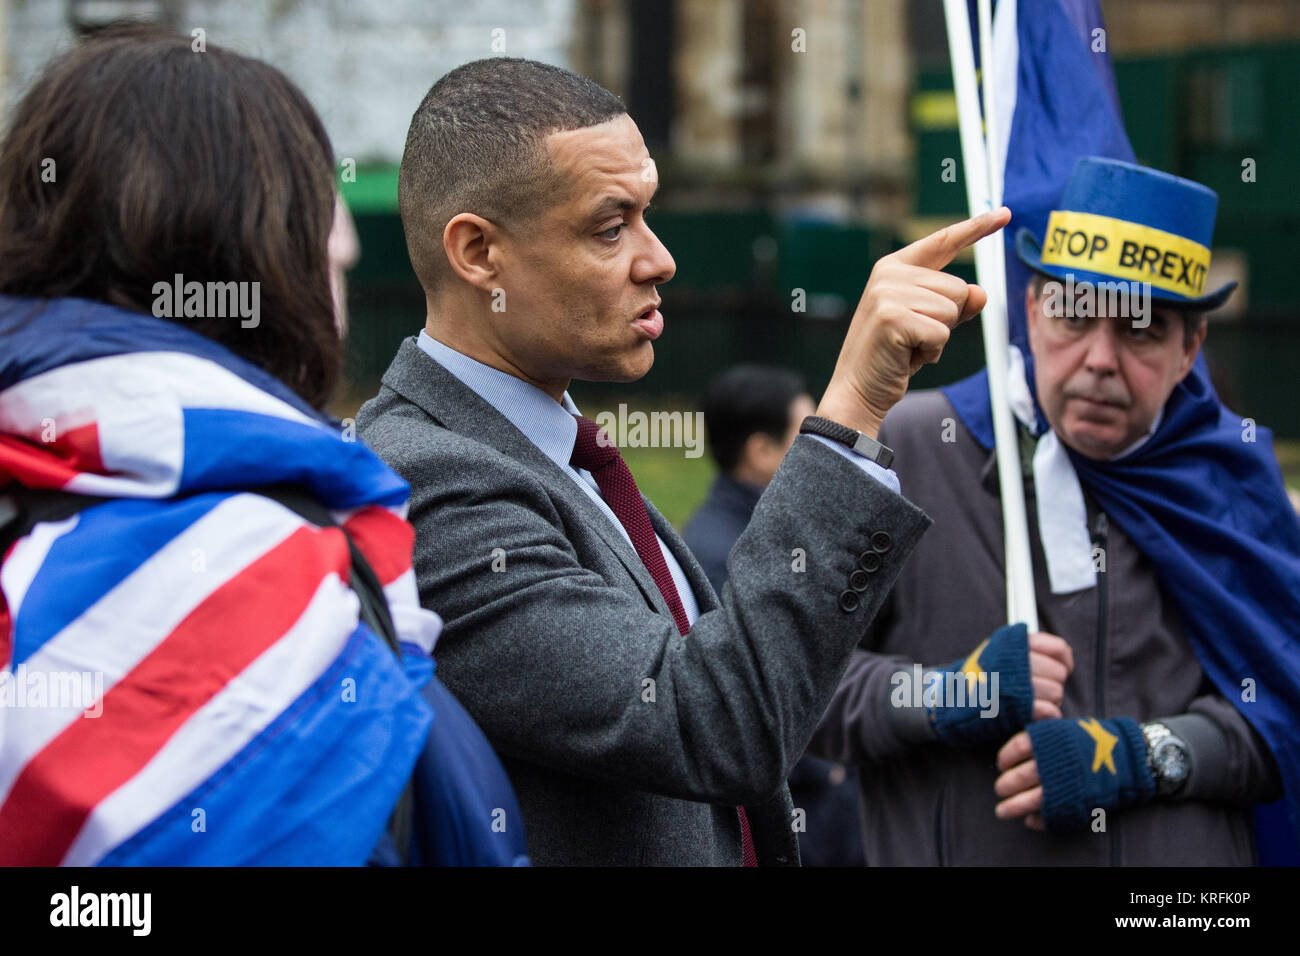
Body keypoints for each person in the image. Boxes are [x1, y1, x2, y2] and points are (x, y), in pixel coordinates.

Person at [357, 55, 1010, 866]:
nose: (659, 258)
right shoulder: (422, 480)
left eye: (648, 215)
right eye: (610, 225)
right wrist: (850, 415)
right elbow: (716, 722)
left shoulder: (556, 450)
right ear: (479, 253)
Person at [0, 26, 525, 866]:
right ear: (259, 251)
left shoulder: (52, 475)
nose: (346, 240)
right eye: (316, 207)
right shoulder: (243, 572)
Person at [810, 157, 1298, 865]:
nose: (1100, 359)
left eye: (1140, 330)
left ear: (1190, 347)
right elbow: (788, 691)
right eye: (1075, 314)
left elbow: (1282, 719)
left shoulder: (1232, 484)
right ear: (1033, 311)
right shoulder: (907, 445)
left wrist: (1149, 755)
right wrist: (945, 695)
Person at [683, 364, 864, 866]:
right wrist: (821, 771)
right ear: (761, 451)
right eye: (806, 435)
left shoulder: (749, 535)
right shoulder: (729, 554)